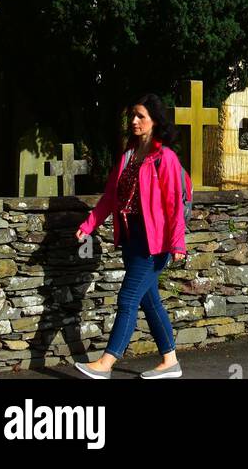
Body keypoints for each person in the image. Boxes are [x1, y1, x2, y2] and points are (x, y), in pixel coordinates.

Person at [74, 92, 187, 379]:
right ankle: (170, 362)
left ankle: (106, 363)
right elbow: (111, 197)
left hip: (154, 242)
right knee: (150, 301)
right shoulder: (127, 156)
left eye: (141, 116)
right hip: (131, 238)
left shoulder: (166, 158)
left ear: (155, 122)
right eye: (132, 116)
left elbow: (174, 203)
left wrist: (177, 242)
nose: (134, 121)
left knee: (127, 299)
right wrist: (88, 225)